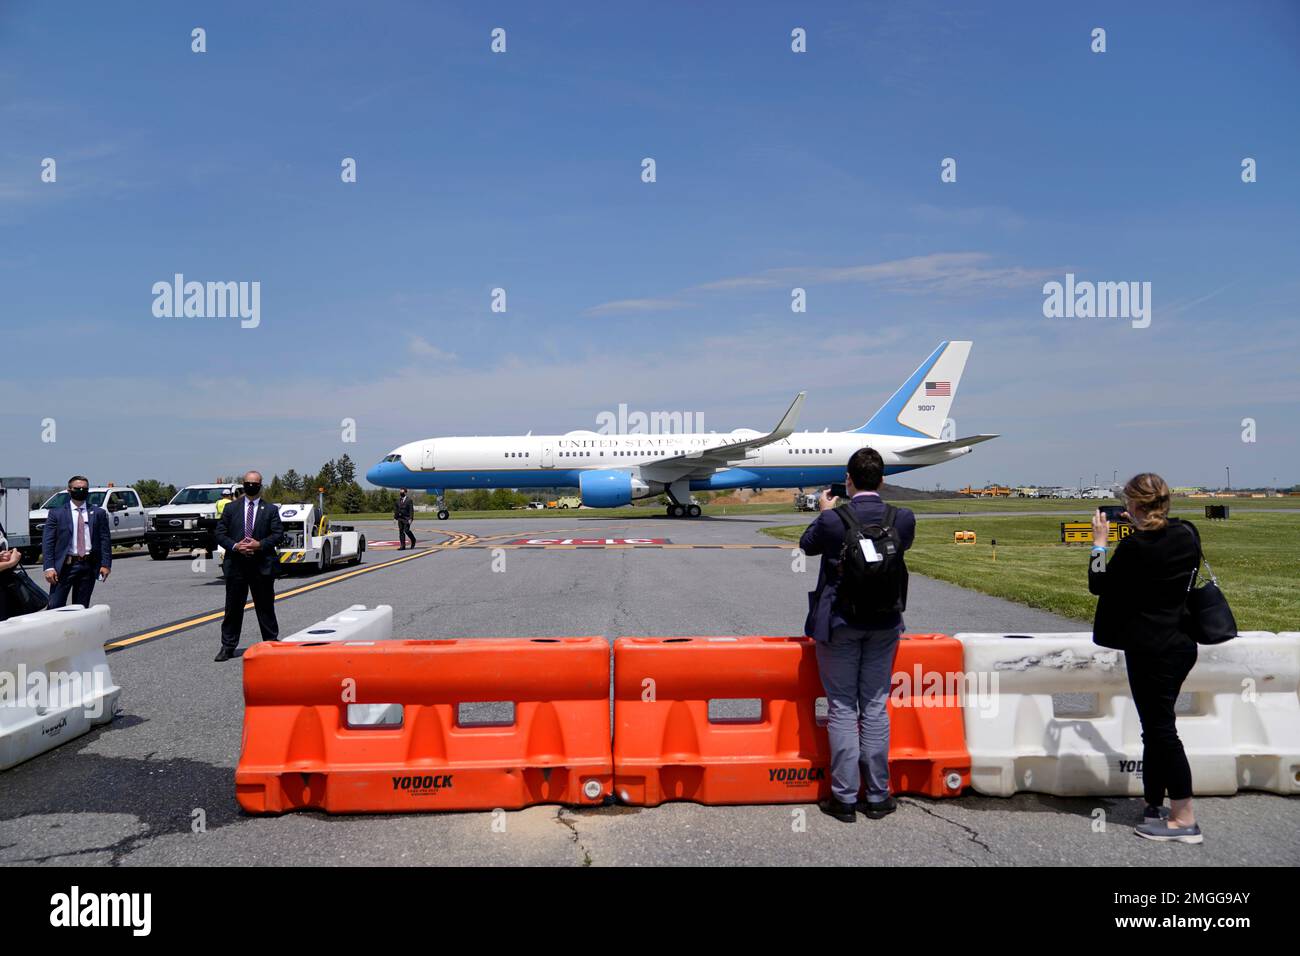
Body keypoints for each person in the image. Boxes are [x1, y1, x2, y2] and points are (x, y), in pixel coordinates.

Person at [799, 447, 916, 823]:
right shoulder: (903, 517)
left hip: (839, 623)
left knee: (843, 707)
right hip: (884, 624)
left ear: (848, 480)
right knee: (875, 705)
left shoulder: (833, 520)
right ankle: (879, 795)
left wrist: (823, 512)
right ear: (882, 481)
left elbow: (806, 545)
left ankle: (845, 798)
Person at [1089, 472, 1203, 844]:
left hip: (1151, 649)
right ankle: (1154, 802)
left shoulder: (1137, 548)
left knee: (1161, 731)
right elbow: (1162, 554)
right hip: (1181, 644)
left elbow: (1098, 584)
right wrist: (1139, 526)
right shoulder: (1187, 534)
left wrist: (1100, 544)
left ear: (1135, 505)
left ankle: (1184, 817)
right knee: (1155, 726)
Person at [213, 471, 283, 662]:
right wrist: (236, 546)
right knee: (233, 609)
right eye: (248, 483)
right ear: (243, 484)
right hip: (236, 566)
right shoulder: (230, 508)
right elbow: (219, 533)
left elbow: (278, 534)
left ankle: (271, 643)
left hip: (262, 566)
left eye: (255, 483)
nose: (251, 486)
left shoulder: (270, 510)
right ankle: (228, 646)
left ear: (260, 485)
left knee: (265, 607)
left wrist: (259, 545)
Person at [42, 475, 112, 609]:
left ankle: (75, 631)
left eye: (84, 488)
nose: (80, 491)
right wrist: (49, 567)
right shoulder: (56, 513)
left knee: (81, 608)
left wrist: (106, 564)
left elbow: (105, 540)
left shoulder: (98, 513)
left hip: (87, 565)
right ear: (69, 490)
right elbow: (48, 542)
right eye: (77, 488)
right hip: (64, 567)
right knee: (55, 606)